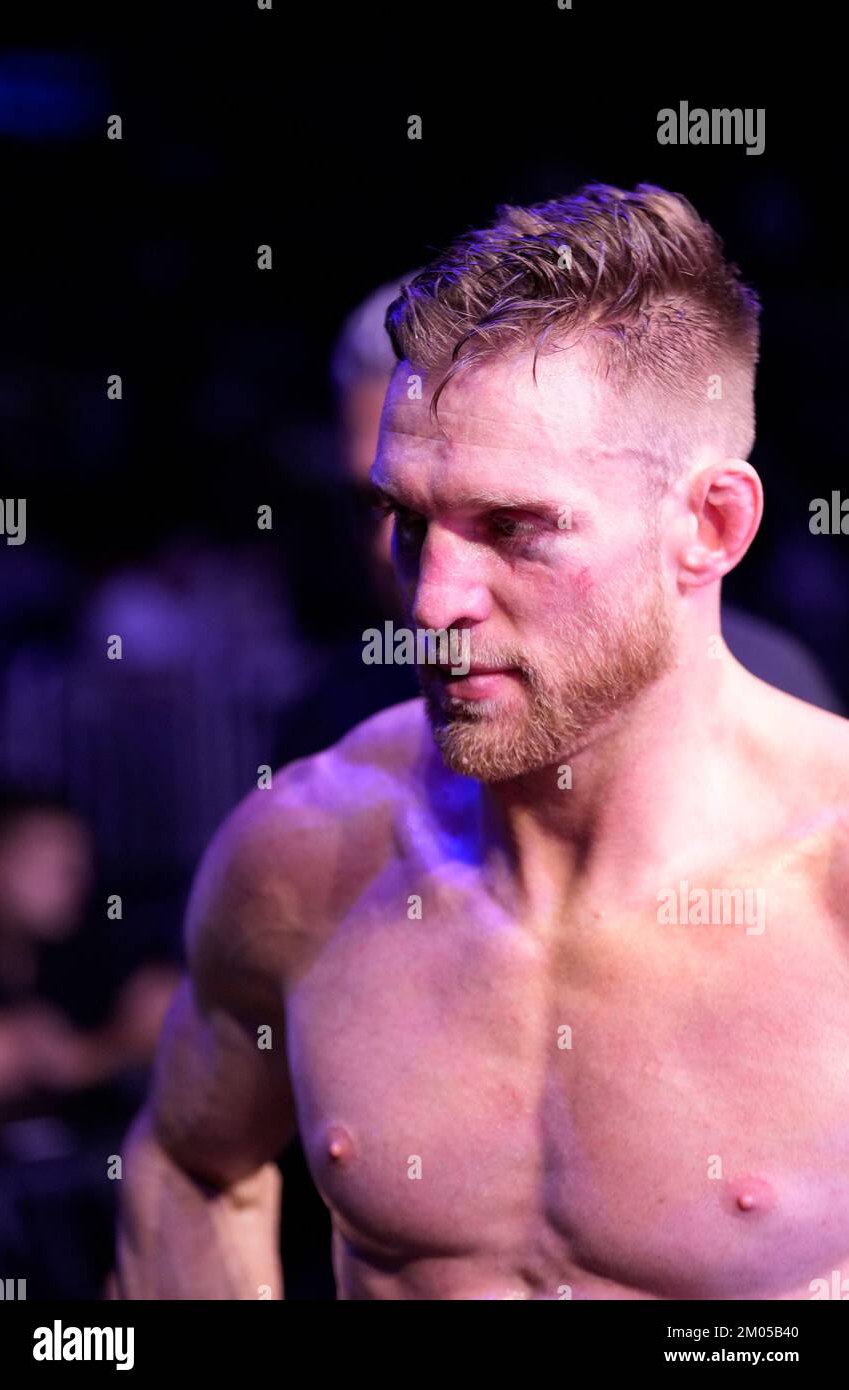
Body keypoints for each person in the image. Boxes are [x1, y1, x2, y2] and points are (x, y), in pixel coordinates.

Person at [113, 183, 849, 1300]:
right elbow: (189, 1162)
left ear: (707, 527)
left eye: (512, 528)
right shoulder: (307, 853)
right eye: (408, 522)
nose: (431, 600)